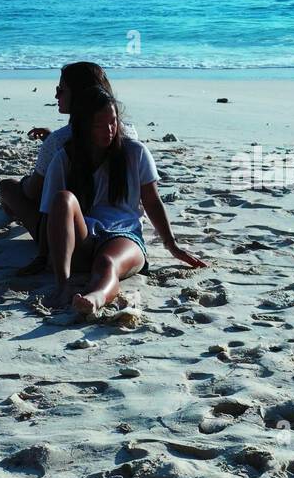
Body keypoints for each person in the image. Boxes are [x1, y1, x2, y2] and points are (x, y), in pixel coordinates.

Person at [41, 85, 206, 313]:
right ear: (83, 126)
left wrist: (172, 245)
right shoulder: (65, 158)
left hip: (123, 235)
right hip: (84, 237)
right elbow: (50, 214)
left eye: (113, 122)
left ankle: (96, 298)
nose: (109, 130)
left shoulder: (135, 152)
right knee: (63, 199)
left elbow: (152, 201)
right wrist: (46, 255)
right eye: (99, 124)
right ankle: (63, 285)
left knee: (107, 263)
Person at [0, 62, 133, 275]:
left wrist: (24, 183)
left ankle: (9, 207)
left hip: (72, 228)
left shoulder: (60, 143)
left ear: (78, 95)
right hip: (118, 225)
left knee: (8, 187)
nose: (56, 96)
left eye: (61, 90)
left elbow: (34, 191)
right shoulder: (129, 135)